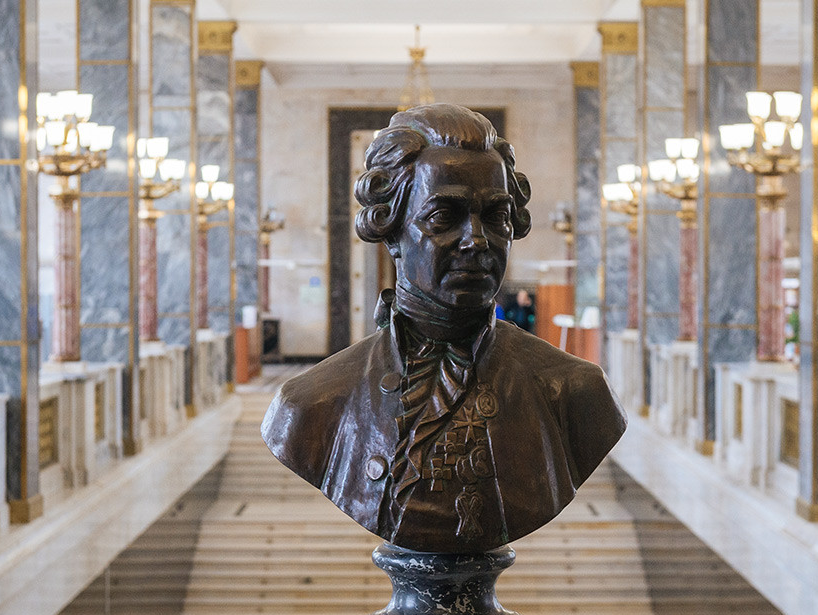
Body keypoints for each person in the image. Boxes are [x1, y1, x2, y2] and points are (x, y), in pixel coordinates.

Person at [262, 104, 626, 553]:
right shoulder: (310, 405)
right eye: (443, 217)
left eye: (495, 217)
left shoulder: (575, 391)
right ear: (391, 231)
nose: (476, 240)